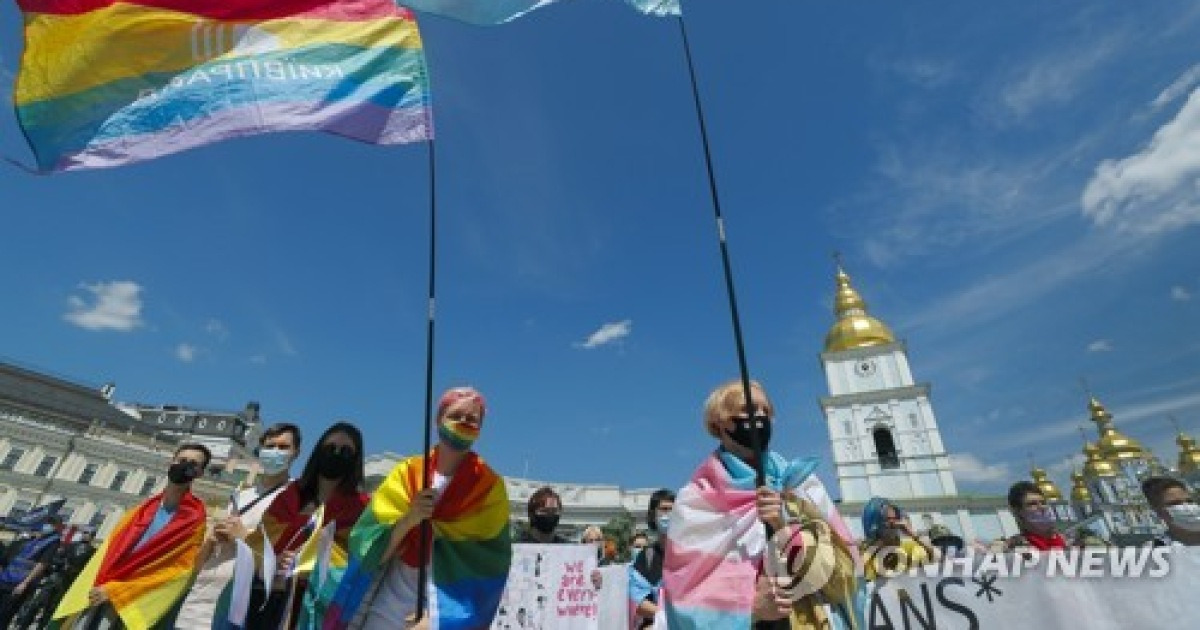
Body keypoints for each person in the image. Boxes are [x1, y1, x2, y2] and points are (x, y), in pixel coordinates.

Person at [660, 379, 860, 629]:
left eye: (766, 411)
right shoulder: (695, 502)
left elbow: (845, 574)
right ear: (718, 424)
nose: (759, 418)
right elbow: (683, 596)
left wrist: (783, 528)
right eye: (747, 411)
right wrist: (750, 608)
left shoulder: (801, 485)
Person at [324, 387, 512, 630]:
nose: (463, 422)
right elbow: (368, 551)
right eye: (456, 416)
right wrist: (409, 519)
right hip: (384, 611)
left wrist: (435, 619)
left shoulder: (489, 489)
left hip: (443, 617)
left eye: (472, 419)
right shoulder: (407, 474)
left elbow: (488, 569)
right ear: (438, 420)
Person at [52, 443, 211, 629]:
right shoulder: (139, 511)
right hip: (98, 589)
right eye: (181, 460)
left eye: (193, 464)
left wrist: (117, 591)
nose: (185, 466)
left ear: (199, 473)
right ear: (171, 463)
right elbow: (108, 552)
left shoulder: (194, 519)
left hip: (134, 601)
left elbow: (179, 571)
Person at [174, 422, 302, 627]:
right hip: (200, 600)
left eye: (283, 447)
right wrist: (211, 540)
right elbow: (200, 562)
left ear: (296, 452)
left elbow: (281, 561)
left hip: (240, 605)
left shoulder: (295, 498)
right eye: (269, 446)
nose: (274, 452)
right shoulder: (241, 493)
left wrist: (243, 534)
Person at [249, 422, 370, 629]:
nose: (336, 454)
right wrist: (272, 562)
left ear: (355, 459)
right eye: (330, 448)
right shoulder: (290, 495)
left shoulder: (361, 508)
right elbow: (256, 543)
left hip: (314, 611)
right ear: (318, 451)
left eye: (346, 451)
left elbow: (359, 564)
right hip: (265, 600)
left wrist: (309, 568)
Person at [0, 515, 63, 627]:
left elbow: (42, 564)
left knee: (5, 615)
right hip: (6, 579)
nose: (46, 525)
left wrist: (25, 583)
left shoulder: (52, 541)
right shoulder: (32, 540)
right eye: (46, 522)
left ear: (56, 526)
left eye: (51, 523)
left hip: (20, 583)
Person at [860, 497, 938, 580]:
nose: (894, 524)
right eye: (888, 521)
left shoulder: (910, 547)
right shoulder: (869, 558)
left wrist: (912, 534)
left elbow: (938, 557)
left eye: (895, 519)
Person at [628, 489, 673, 629]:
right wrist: (666, 617)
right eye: (664, 509)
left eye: (674, 510)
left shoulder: (692, 554)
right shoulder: (646, 558)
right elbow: (637, 602)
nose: (669, 515)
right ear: (653, 516)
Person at [1003, 481, 1066, 551]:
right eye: (1032, 504)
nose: (1042, 507)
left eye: (1043, 502)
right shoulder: (1013, 546)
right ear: (1017, 511)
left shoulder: (1066, 540)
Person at [1142, 476, 1200, 547]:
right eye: (1175, 503)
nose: (1187, 507)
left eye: (1189, 501)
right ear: (1158, 512)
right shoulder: (1154, 549)